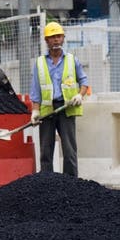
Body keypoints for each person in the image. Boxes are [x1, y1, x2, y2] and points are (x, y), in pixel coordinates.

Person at [29, 20, 88, 177]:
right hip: (47, 111)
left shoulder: (72, 60)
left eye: (59, 36)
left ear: (63, 38)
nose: (56, 40)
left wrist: (79, 95)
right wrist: (35, 111)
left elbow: (84, 82)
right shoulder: (40, 63)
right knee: (45, 150)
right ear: (46, 40)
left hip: (66, 108)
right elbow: (36, 90)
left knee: (69, 150)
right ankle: (47, 182)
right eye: (52, 37)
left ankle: (71, 182)